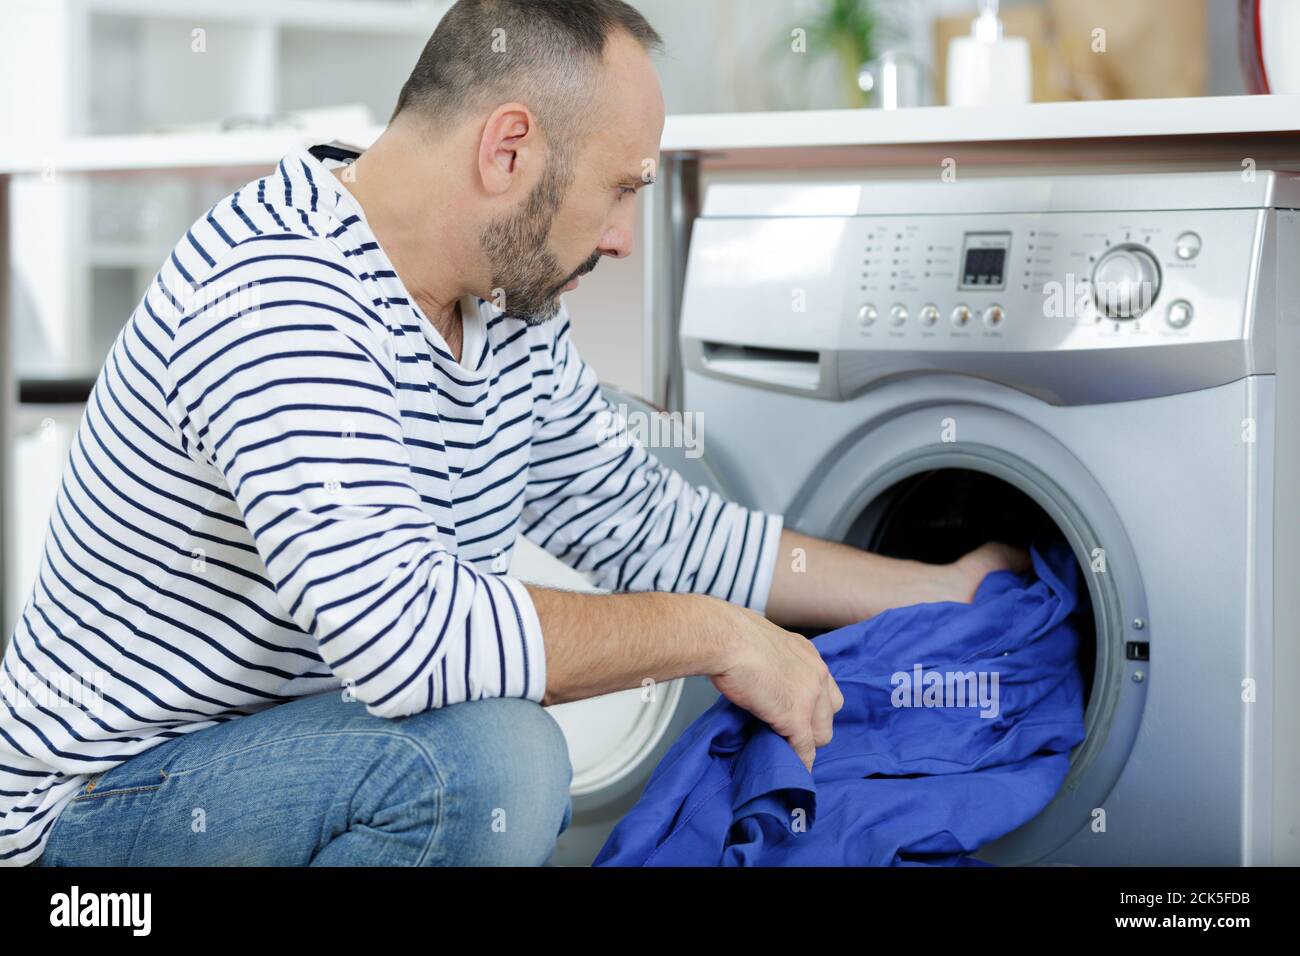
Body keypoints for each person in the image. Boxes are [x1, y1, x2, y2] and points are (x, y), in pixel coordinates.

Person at [0, 0, 1026, 868]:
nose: (624, 234)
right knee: (490, 762)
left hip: (287, 764)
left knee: (485, 753)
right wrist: (719, 635)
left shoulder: (510, 309)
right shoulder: (280, 295)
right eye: (620, 187)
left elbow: (648, 524)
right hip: (90, 811)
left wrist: (942, 590)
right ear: (509, 149)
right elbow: (405, 637)